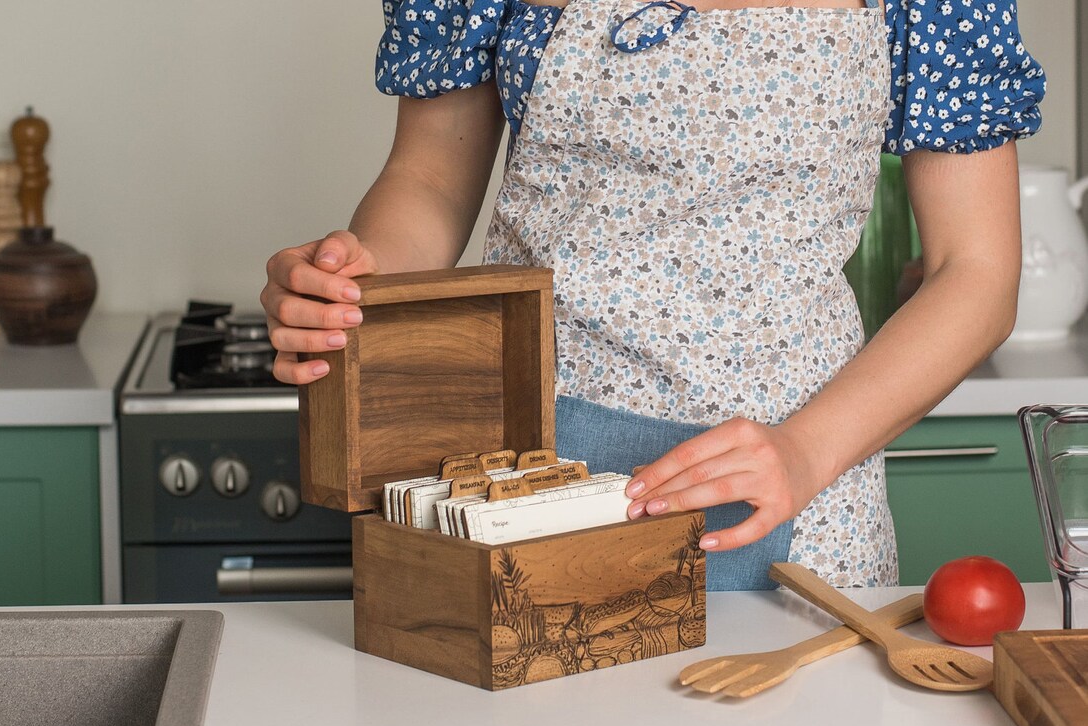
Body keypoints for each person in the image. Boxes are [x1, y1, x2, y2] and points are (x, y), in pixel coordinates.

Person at [261, 0, 1045, 589]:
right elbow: (428, 178)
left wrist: (805, 451)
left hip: (797, 484)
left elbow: (975, 272)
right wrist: (355, 281)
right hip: (524, 476)